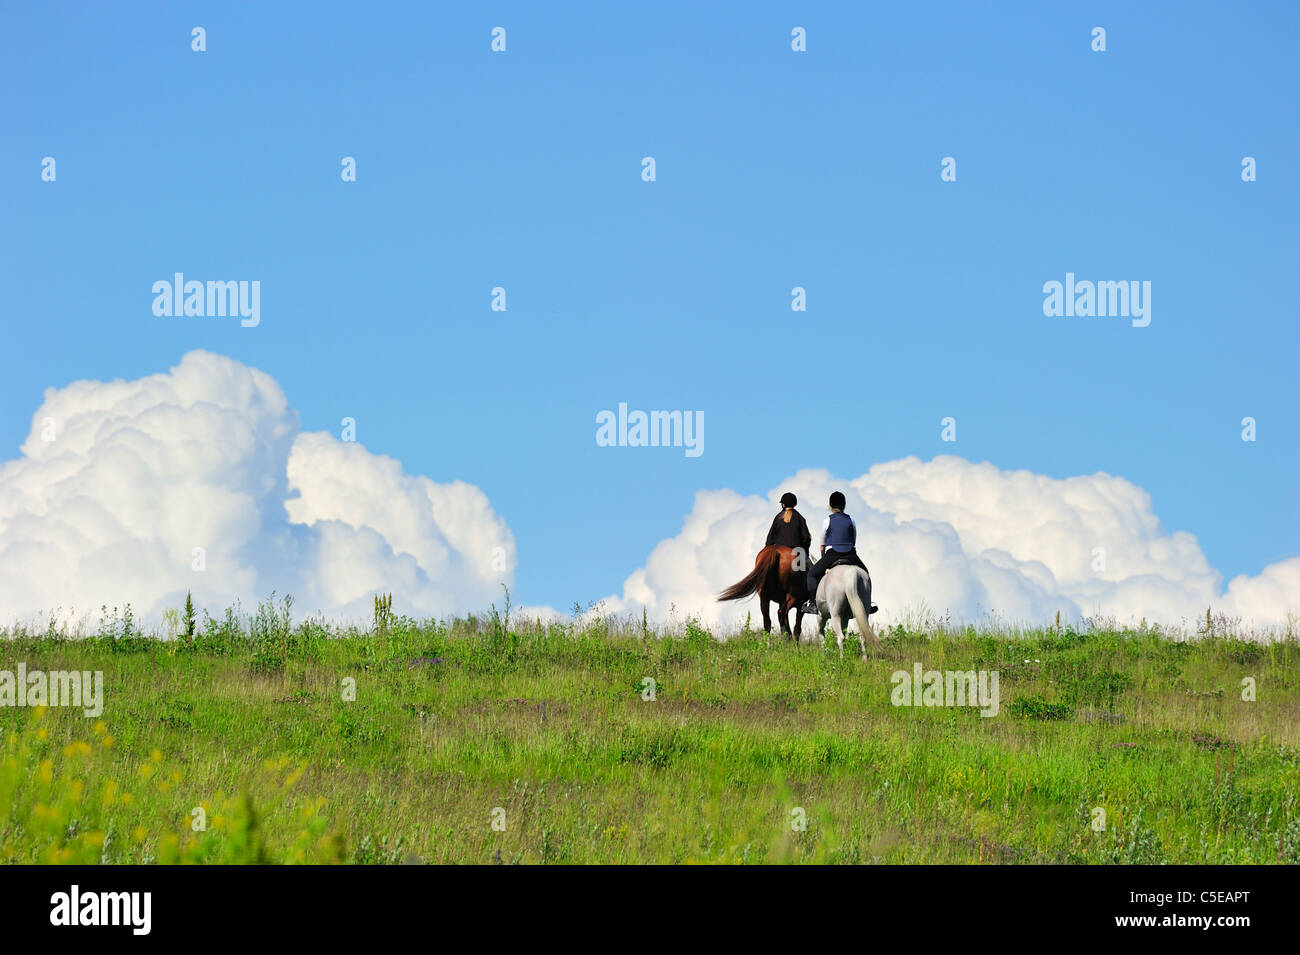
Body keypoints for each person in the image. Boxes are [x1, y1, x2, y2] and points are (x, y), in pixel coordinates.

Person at [802, 490, 876, 614]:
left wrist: (823, 558)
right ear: (844, 505)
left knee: (812, 574)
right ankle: (869, 602)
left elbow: (822, 545)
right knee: (866, 575)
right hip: (851, 554)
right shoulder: (851, 521)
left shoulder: (827, 521)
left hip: (832, 554)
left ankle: (812, 603)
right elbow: (853, 541)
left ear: (830, 506)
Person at [765, 492, 812, 558]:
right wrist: (805, 551)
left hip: (778, 550)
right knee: (809, 567)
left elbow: (770, 537)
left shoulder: (778, 517)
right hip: (797, 552)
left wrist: (767, 550)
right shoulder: (800, 518)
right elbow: (806, 537)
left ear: (783, 505)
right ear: (794, 504)